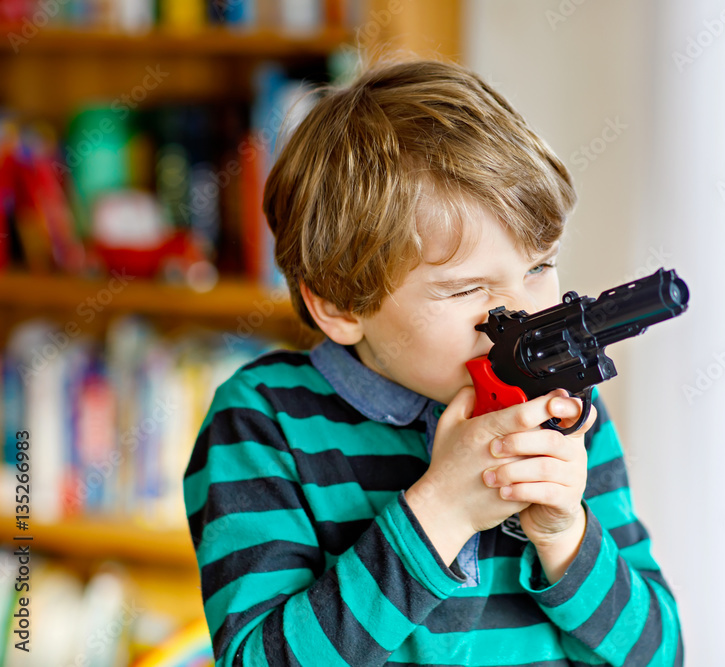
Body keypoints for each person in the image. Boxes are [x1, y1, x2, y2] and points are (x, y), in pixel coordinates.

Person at [183, 56, 684, 666]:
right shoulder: (263, 420)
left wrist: (565, 537)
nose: (522, 311)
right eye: (467, 288)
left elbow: (660, 654)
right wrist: (441, 511)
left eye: (538, 267)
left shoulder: (567, 415)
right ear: (341, 303)